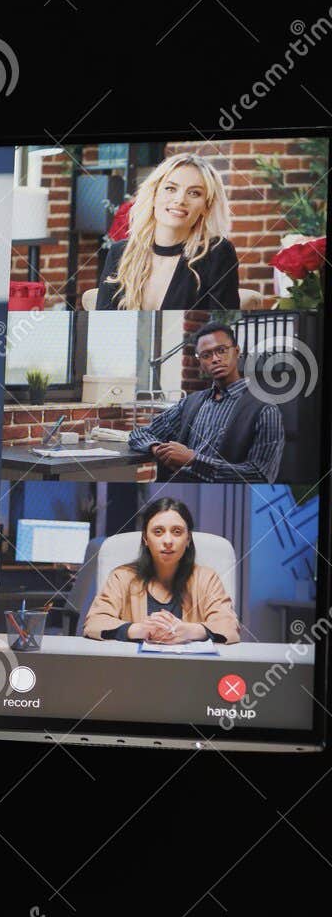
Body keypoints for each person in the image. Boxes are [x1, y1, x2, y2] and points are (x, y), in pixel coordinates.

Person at [129, 321, 283, 482]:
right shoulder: (191, 402)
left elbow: (261, 475)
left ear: (237, 351)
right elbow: (140, 433)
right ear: (200, 362)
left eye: (221, 351)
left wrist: (194, 460)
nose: (215, 359)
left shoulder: (265, 409)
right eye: (206, 355)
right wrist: (158, 449)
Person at [81, 498, 239, 644]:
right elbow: (94, 623)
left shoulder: (207, 578)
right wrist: (139, 630)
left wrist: (189, 631)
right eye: (158, 532)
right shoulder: (122, 577)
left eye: (177, 532)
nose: (168, 541)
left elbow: (229, 627)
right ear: (145, 539)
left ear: (188, 538)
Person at [95, 153, 240, 311]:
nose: (180, 200)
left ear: (206, 206)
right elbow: (103, 325)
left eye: (194, 193)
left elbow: (221, 328)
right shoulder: (120, 253)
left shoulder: (217, 253)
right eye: (170, 188)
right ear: (154, 195)